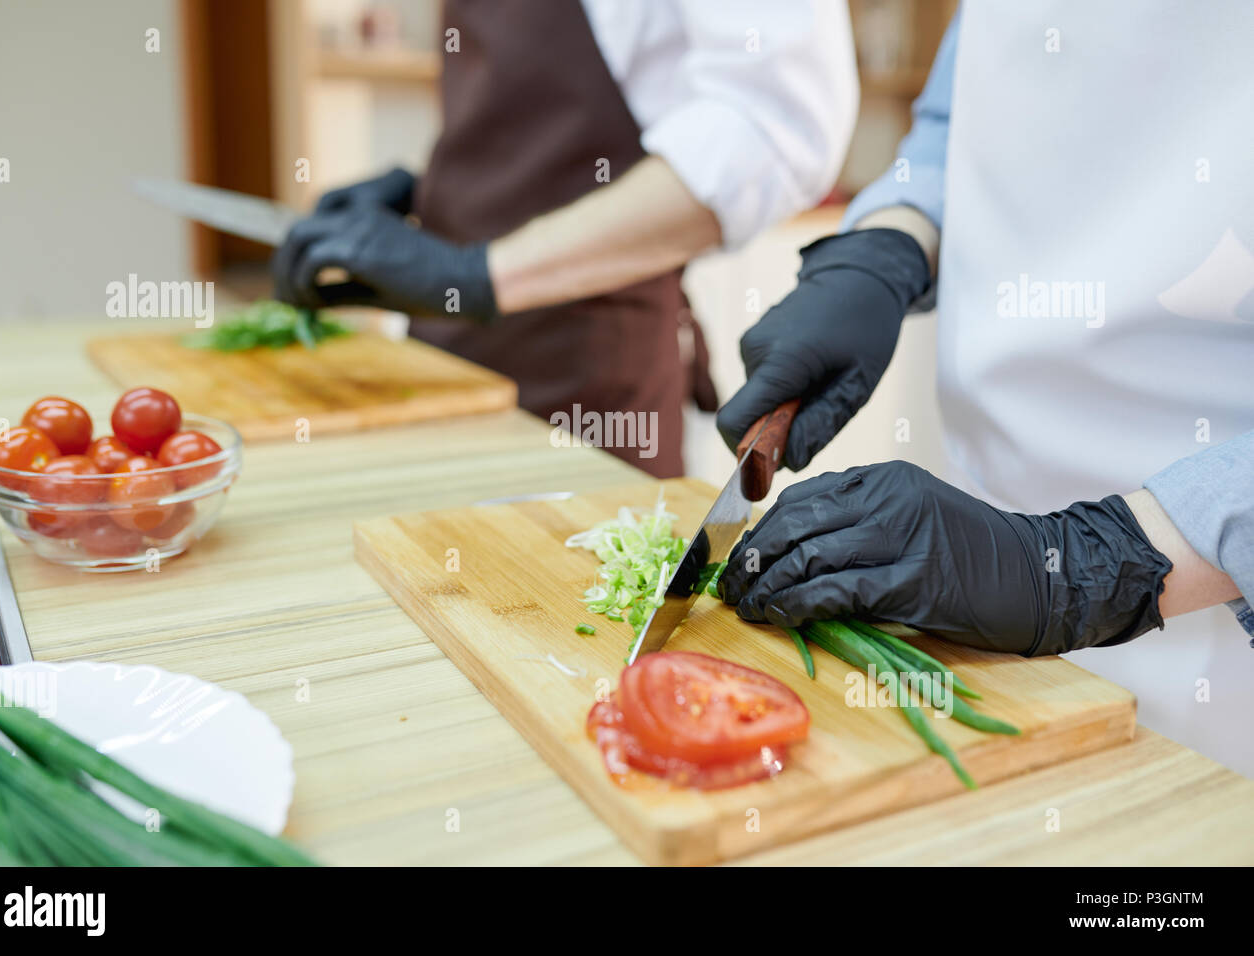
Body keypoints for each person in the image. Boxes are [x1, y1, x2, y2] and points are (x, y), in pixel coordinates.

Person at [714, 3, 1254, 775]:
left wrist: (1096, 562)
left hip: (1212, 639)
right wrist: (882, 248)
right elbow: (959, 116)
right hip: (974, 581)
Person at [272, 0, 858, 477]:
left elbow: (772, 131)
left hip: (589, 390)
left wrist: (477, 276)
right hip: (449, 365)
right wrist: (434, 191)